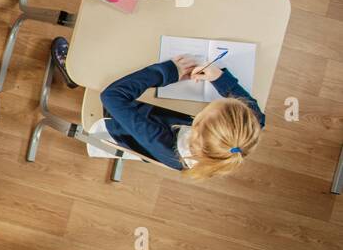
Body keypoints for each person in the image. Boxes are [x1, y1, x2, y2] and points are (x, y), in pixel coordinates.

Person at [77, 39, 265, 177]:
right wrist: (219, 78)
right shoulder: (242, 136)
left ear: (197, 124)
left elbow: (111, 97)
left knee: (104, 67)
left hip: (115, 125)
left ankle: (72, 74)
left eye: (208, 107)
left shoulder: (162, 141)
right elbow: (255, 115)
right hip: (152, 115)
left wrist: (168, 72)